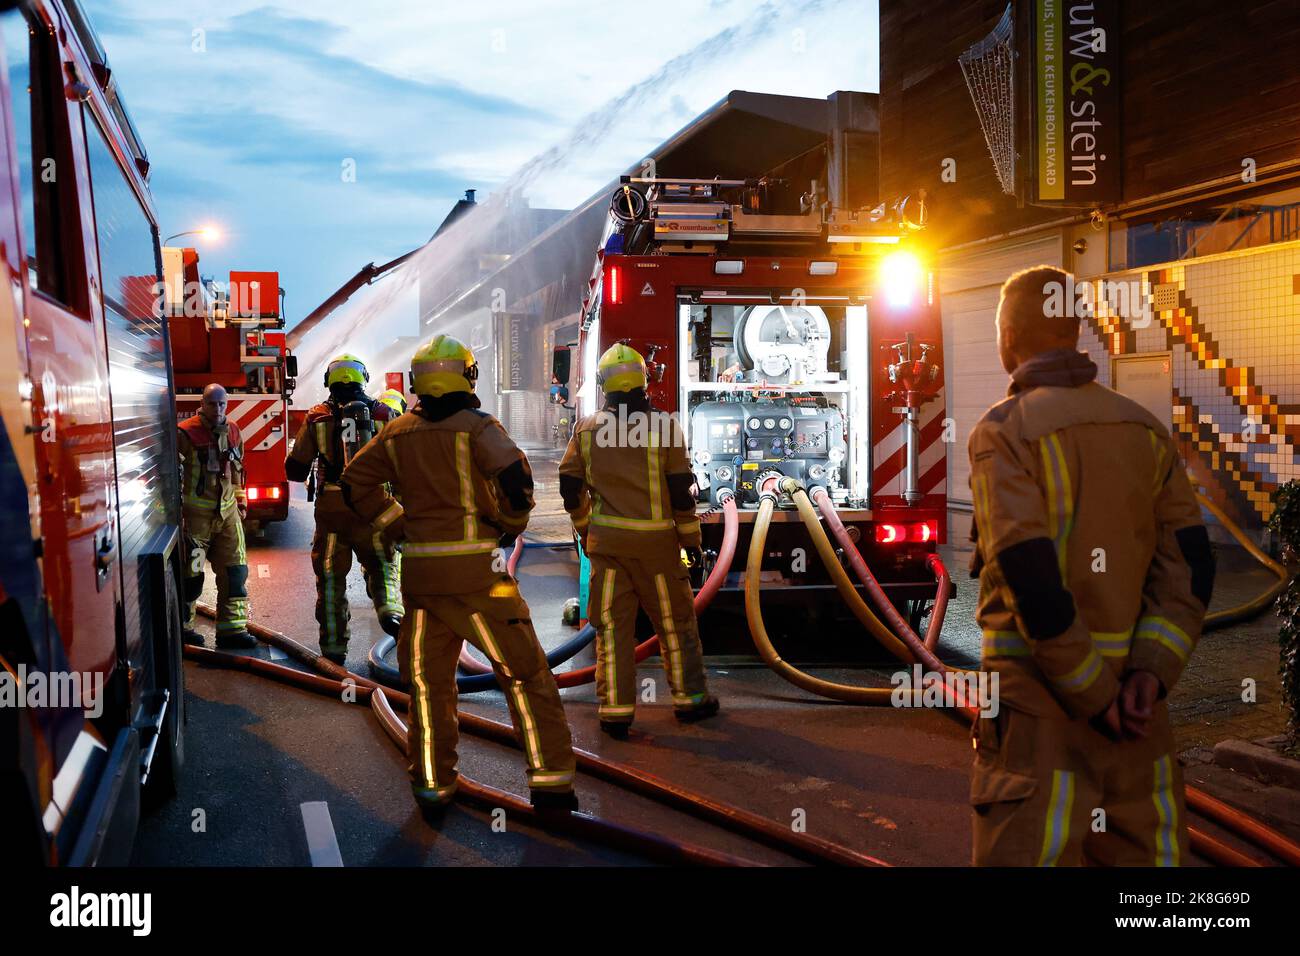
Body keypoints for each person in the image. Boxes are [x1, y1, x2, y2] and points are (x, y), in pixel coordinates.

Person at [968, 266, 1214, 866]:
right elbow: (1192, 566)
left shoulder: (1004, 433)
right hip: (1138, 721)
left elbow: (1027, 572)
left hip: (1040, 719)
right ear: (1075, 332)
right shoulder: (1144, 429)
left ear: (1008, 336)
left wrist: (1092, 693)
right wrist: (1148, 678)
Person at [340, 334, 578, 818]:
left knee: (428, 685)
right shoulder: (478, 428)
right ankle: (551, 785)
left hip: (424, 585)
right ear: (467, 377)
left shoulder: (397, 433)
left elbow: (353, 482)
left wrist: (394, 522)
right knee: (525, 674)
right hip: (480, 582)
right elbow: (517, 483)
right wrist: (509, 528)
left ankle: (432, 786)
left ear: (417, 384)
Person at [558, 343, 717, 739]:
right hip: (658, 548)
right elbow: (682, 491)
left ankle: (615, 711)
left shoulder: (588, 429)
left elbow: (568, 484)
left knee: (612, 628)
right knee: (675, 624)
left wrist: (585, 527)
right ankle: (690, 701)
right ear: (644, 382)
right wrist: (691, 539)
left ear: (603, 385)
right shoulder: (665, 427)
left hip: (609, 549)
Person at [285, 354, 402, 664]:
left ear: (329, 381)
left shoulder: (317, 418)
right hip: (374, 508)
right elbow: (401, 466)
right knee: (384, 568)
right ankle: (391, 611)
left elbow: (294, 469)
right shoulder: (384, 414)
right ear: (363, 378)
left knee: (330, 579)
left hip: (333, 511)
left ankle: (334, 650)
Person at [178, 383, 256, 649]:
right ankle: (184, 629)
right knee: (191, 575)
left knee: (236, 571)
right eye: (212, 404)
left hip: (228, 515)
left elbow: (237, 471)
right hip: (195, 520)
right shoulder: (185, 434)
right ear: (203, 404)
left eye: (222, 404)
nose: (218, 409)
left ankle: (232, 630)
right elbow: (171, 476)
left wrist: (241, 502)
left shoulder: (233, 431)